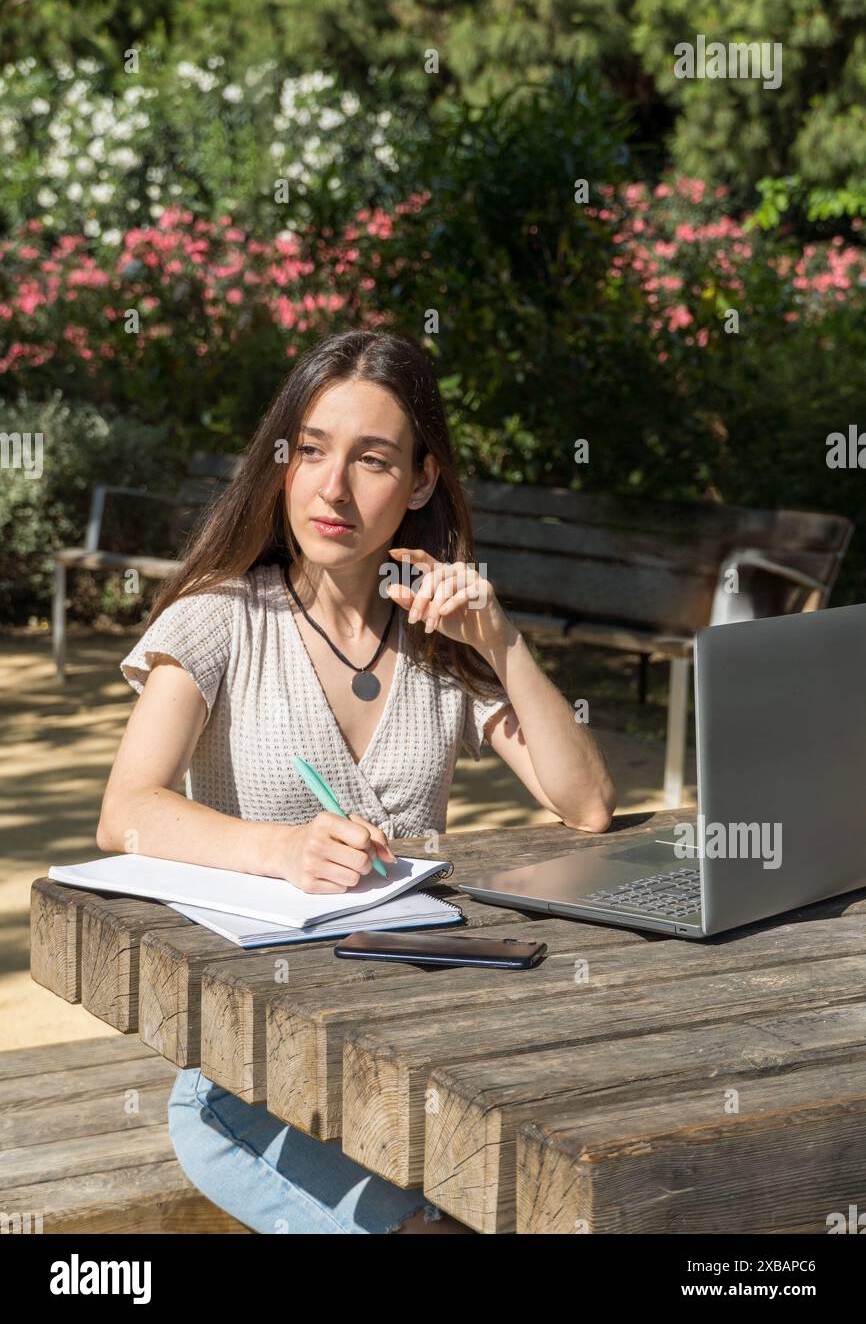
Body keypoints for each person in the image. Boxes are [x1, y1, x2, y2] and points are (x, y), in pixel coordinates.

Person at [96, 327, 617, 1234]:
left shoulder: (438, 639)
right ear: (283, 463)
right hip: (264, 1061)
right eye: (312, 451)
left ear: (420, 481)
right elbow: (125, 813)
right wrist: (280, 849)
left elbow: (586, 804)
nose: (332, 487)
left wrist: (501, 643)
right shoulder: (219, 618)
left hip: (432, 1043)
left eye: (372, 459)